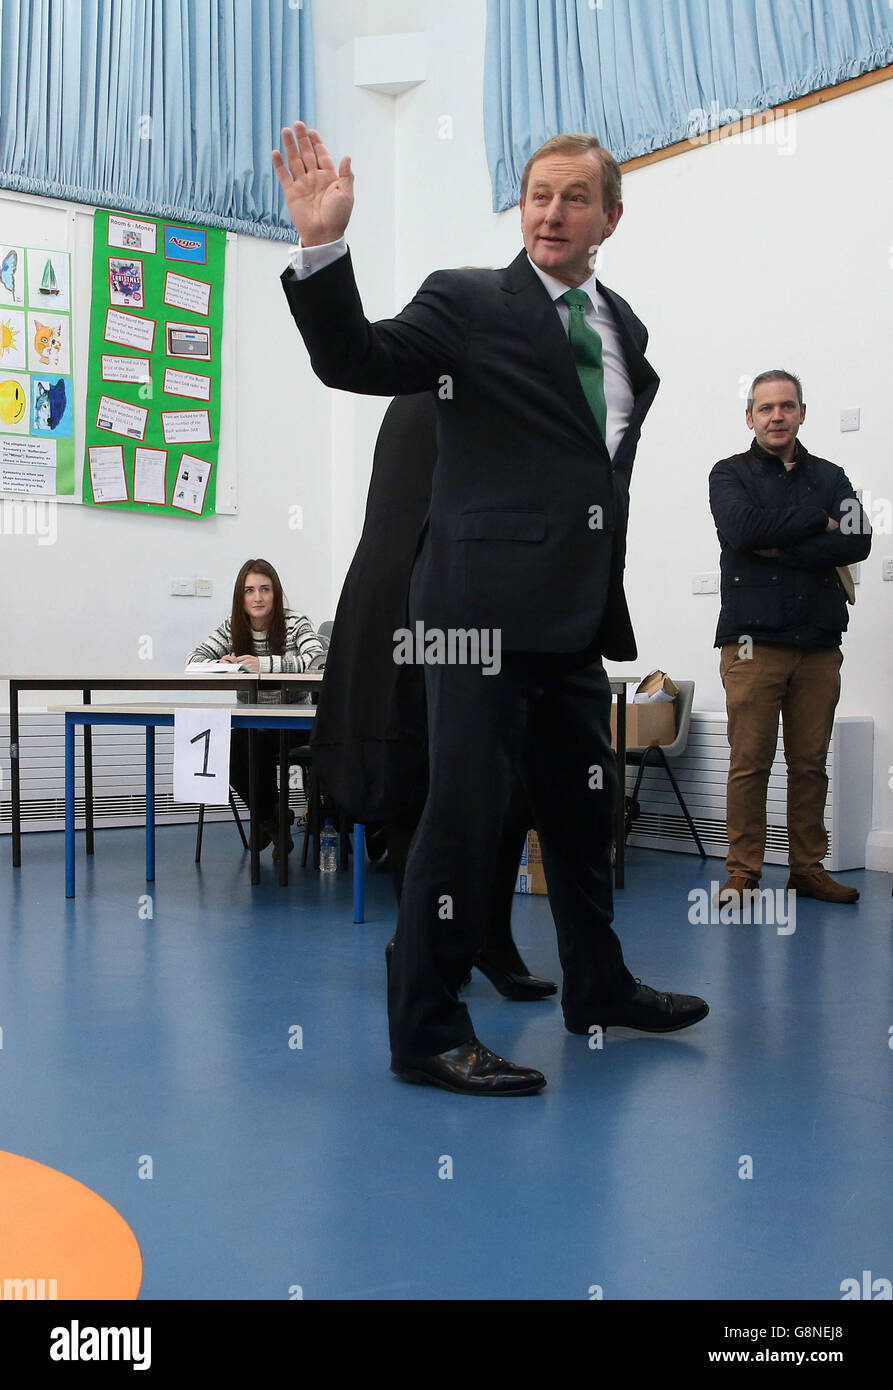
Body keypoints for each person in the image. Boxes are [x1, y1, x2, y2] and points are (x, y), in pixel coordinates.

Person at [273, 122, 708, 1097]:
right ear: (520, 207)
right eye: (537, 194)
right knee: (465, 821)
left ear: (610, 217)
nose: (551, 212)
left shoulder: (620, 329)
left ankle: (595, 985)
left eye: (573, 198)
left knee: (579, 811)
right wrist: (322, 248)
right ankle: (426, 1030)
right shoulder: (466, 303)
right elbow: (354, 357)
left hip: (570, 620)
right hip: (471, 617)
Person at [310, 389, 556, 1000]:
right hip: (425, 591)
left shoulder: (425, 393)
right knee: (418, 781)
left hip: (422, 590)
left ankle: (465, 942)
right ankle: (429, 946)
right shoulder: (449, 394)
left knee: (478, 782)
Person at [709, 371, 871, 906]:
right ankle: (743, 874)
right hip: (752, 645)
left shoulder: (831, 475)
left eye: (786, 406)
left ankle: (807, 868)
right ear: (750, 418)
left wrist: (787, 546)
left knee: (809, 764)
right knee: (749, 764)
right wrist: (813, 522)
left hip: (819, 644)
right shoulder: (728, 475)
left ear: (803, 413)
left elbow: (861, 539)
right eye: (765, 408)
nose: (776, 416)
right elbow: (743, 531)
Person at [186, 558, 326, 855]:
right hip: (252, 722)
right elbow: (193, 660)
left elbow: (317, 662)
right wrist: (219, 663)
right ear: (241, 597)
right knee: (228, 748)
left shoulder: (295, 622)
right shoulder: (233, 626)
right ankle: (272, 817)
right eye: (250, 590)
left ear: (276, 593)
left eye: (265, 589)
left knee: (255, 742)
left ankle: (269, 819)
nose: (258, 597)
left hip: (295, 723)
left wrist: (261, 664)